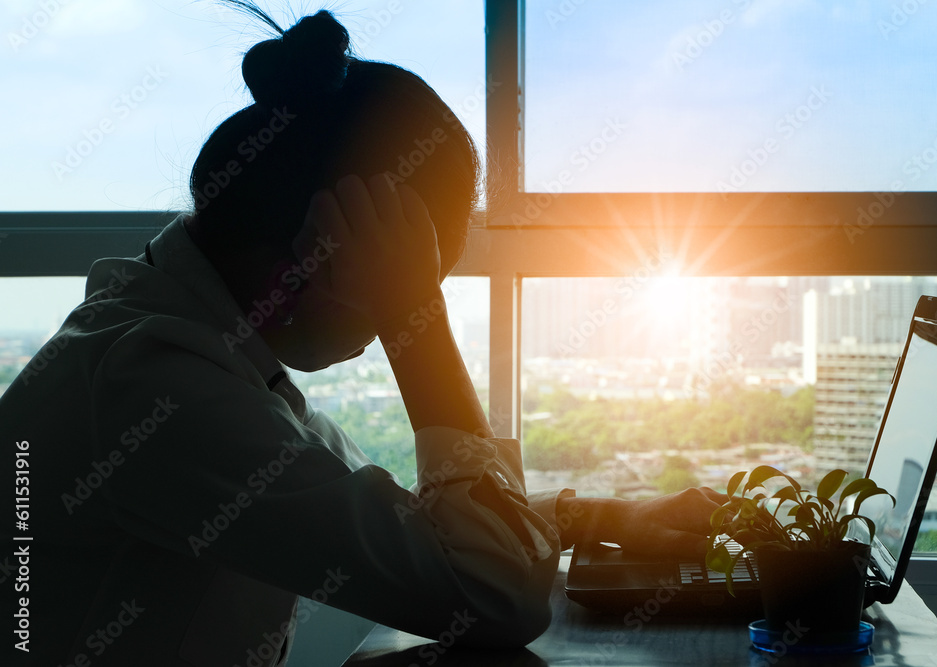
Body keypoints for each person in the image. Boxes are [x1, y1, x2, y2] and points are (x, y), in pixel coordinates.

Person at [0, 4, 726, 665]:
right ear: (310, 253)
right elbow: (498, 592)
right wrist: (417, 317)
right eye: (398, 277)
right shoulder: (153, 384)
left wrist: (592, 514)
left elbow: (412, 528)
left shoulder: (190, 349)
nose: (384, 324)